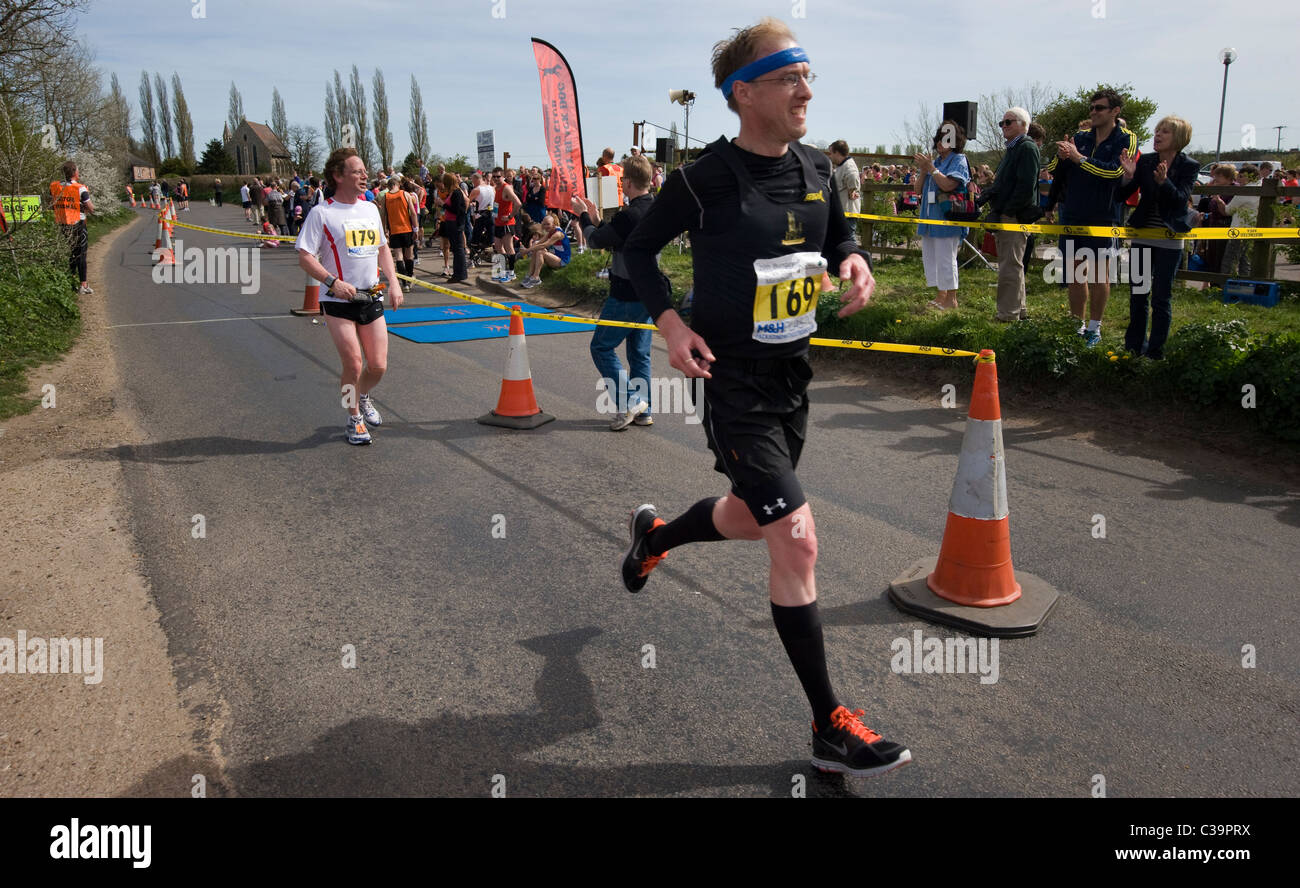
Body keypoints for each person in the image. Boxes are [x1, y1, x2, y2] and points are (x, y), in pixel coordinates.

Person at [620, 17, 910, 778]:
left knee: (752, 517)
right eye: (789, 77)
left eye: (808, 74)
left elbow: (839, 236)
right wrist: (672, 323)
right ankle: (829, 725)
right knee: (798, 538)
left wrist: (855, 264)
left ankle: (655, 539)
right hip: (731, 381)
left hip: (791, 378)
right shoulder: (701, 179)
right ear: (742, 93)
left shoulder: (816, 166)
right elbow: (637, 250)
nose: (806, 89)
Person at [295, 147, 404, 445]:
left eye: (364, 171)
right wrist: (332, 282)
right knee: (354, 364)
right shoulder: (322, 213)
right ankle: (353, 415)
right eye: (357, 171)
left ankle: (363, 395)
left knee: (378, 365)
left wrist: (393, 283)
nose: (364, 176)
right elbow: (305, 256)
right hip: (338, 301)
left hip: (371, 297)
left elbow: (383, 248)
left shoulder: (370, 208)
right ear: (338, 176)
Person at [571, 154, 659, 431]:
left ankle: (631, 400)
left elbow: (596, 241)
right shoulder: (656, 209)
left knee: (601, 346)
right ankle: (644, 409)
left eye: (623, 182)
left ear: (629, 182)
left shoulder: (629, 214)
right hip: (650, 291)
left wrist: (583, 216)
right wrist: (597, 220)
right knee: (639, 353)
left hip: (625, 292)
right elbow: (615, 237)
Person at [1046, 89, 1136, 346]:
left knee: (1098, 275)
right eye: (1092, 107)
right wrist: (1063, 157)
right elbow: (1054, 170)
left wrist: (1080, 159)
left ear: (1115, 111)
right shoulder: (1080, 137)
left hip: (1102, 215)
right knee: (1075, 275)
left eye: (1100, 108)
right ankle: (1076, 324)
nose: (1093, 112)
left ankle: (1095, 327)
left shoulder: (1126, 138)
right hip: (1073, 213)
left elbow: (1115, 171)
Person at [1116, 116, 1198, 361]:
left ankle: (1155, 351)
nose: (1158, 135)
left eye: (1164, 132)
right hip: (1143, 236)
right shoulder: (1147, 161)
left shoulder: (1188, 165)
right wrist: (1128, 176)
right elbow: (1122, 194)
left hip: (1170, 240)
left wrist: (1164, 183)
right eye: (1157, 131)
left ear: (1179, 138)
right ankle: (1133, 348)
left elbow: (1181, 199)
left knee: (1162, 297)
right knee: (1138, 294)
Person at [975, 107, 1040, 321]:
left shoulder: (1026, 148)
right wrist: (989, 194)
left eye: (1008, 122)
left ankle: (1007, 314)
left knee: (1009, 266)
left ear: (1023, 125)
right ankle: (1018, 309)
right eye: (1001, 123)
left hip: (1014, 216)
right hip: (1007, 213)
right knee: (1013, 264)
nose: (1004, 126)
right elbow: (1005, 182)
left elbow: (1025, 186)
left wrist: (1007, 212)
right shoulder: (1014, 149)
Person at [914, 119, 972, 311]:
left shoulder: (959, 160)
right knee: (932, 258)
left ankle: (951, 300)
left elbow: (948, 185)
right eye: (939, 138)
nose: (940, 143)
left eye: (945, 139)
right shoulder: (935, 161)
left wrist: (931, 169)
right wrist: (924, 171)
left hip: (947, 220)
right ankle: (941, 295)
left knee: (947, 259)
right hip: (930, 219)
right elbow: (917, 190)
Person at [50, 160, 94, 295]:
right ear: (74, 172)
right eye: (78, 170)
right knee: (81, 253)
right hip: (78, 223)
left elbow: (51, 203)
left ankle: (71, 279)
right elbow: (91, 208)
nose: (79, 172)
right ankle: (83, 285)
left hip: (63, 223)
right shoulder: (80, 188)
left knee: (73, 252)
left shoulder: (55, 186)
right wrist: (86, 208)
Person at [378, 176, 419, 278]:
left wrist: (384, 231)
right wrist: (416, 228)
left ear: (388, 186)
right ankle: (410, 277)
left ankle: (404, 282)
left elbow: (382, 215)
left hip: (394, 230)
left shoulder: (385, 197)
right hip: (407, 229)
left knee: (399, 256)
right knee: (409, 255)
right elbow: (413, 213)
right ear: (398, 184)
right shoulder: (405, 194)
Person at [518, 212, 569, 288]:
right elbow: (539, 243)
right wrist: (528, 249)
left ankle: (536, 278)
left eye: (548, 224)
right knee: (537, 248)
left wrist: (526, 251)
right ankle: (529, 275)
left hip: (562, 261)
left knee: (540, 251)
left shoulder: (557, 234)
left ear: (553, 224)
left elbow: (545, 245)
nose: (545, 226)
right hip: (554, 258)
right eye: (544, 224)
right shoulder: (550, 232)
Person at [490, 167, 520, 282]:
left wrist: (510, 216)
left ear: (503, 176)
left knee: (509, 248)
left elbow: (518, 203)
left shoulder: (506, 188)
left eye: (498, 176)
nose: (496, 179)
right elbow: (497, 205)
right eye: (494, 176)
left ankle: (511, 273)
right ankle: (500, 271)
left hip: (507, 223)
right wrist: (494, 215)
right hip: (497, 222)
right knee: (498, 247)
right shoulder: (495, 188)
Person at [828, 140, 860, 244]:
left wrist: (852, 190)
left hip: (848, 212)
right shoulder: (842, 166)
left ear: (837, 153)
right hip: (842, 211)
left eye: (831, 153)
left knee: (849, 240)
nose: (830, 156)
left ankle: (854, 258)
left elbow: (853, 176)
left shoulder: (848, 166)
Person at [440, 171, 470, 283]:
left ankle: (460, 274)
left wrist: (443, 204)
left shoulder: (457, 193)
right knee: (456, 249)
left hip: (455, 223)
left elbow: (458, 210)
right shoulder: (452, 192)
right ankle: (458, 273)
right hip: (451, 223)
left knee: (458, 249)